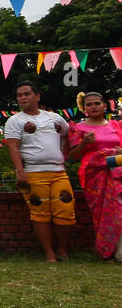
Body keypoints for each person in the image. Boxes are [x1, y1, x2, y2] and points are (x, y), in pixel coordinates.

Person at [3, 81, 74, 262]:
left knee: (65, 209)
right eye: (19, 95)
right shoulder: (14, 121)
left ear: (37, 96)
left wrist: (63, 154)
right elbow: (13, 148)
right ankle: (49, 252)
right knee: (40, 212)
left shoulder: (55, 118)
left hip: (58, 171)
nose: (23, 98)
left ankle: (62, 250)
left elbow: (67, 134)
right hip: (34, 172)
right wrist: (20, 171)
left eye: (27, 94)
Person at [66, 91, 122, 261]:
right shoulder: (78, 128)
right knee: (102, 211)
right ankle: (108, 250)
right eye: (89, 104)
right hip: (94, 175)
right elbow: (73, 155)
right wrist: (84, 143)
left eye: (97, 103)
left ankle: (119, 250)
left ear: (104, 105)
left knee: (118, 208)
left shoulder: (116, 125)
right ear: (84, 108)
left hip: (117, 172)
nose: (93, 107)